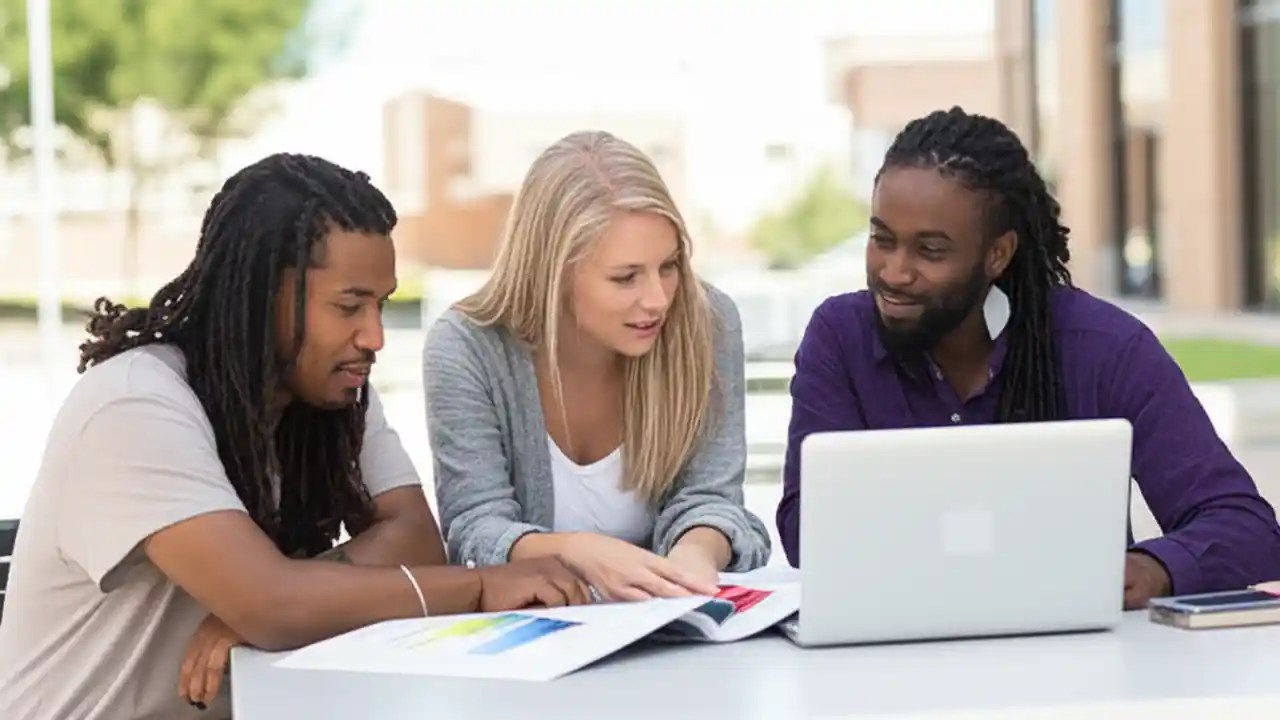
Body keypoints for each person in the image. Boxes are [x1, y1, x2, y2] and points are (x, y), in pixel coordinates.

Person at [0, 153, 588, 720]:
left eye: (380, 305)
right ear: (262, 297)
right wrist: (478, 586)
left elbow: (413, 540)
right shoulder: (134, 406)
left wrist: (287, 602)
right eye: (349, 306)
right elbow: (276, 606)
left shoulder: (335, 394)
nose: (375, 336)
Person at [776, 107, 1280, 609]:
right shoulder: (840, 338)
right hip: (884, 647)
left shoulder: (1106, 348)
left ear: (998, 254)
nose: (895, 272)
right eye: (882, 240)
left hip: (1075, 665)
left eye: (929, 251)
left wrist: (1157, 569)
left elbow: (1249, 531)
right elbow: (807, 535)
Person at [424, 130, 771, 602]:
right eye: (625, 277)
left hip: (670, 638)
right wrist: (579, 552)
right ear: (554, 272)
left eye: (669, 266)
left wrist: (694, 558)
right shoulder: (467, 348)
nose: (658, 299)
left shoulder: (706, 323)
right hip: (535, 646)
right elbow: (475, 531)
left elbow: (712, 499)